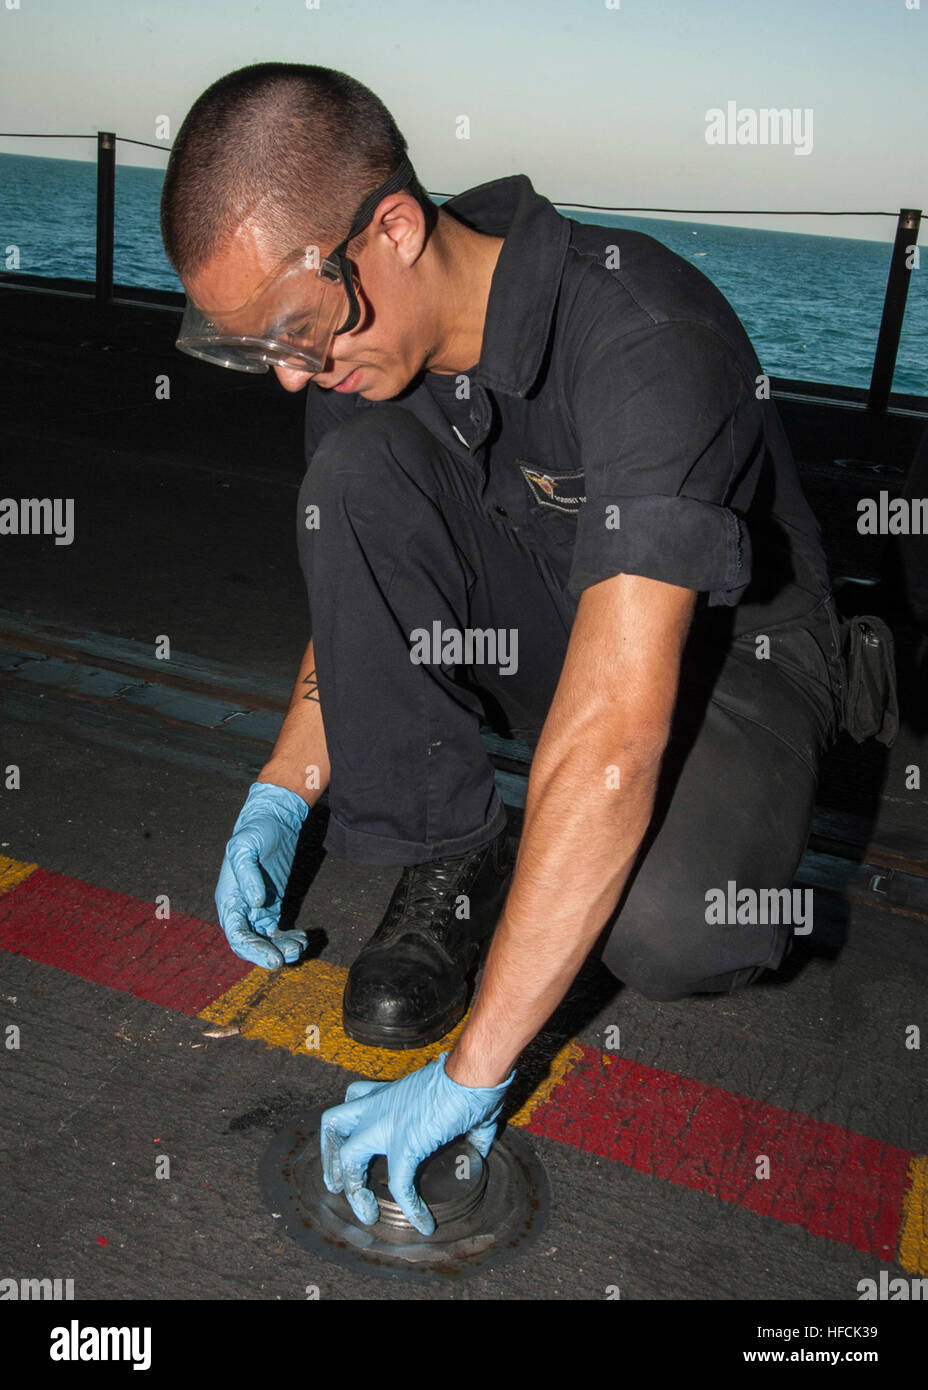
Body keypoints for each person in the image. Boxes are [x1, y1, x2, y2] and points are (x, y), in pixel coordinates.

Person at [161, 61, 846, 1236]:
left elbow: (621, 727)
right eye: (254, 347)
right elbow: (359, 584)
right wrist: (282, 787)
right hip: (553, 617)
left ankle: (676, 847)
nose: (288, 370)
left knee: (673, 929)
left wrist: (476, 1070)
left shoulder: (645, 335)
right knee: (353, 478)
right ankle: (462, 848)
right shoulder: (361, 349)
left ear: (392, 229)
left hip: (730, 658)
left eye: (292, 331)